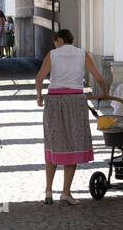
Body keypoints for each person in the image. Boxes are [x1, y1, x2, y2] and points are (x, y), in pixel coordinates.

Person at [35, 28, 108, 204]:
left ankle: (48, 191)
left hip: (54, 100)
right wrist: (105, 92)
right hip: (75, 101)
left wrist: (39, 97)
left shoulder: (52, 54)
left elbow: (39, 79)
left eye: (56, 42)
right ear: (71, 40)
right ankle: (66, 192)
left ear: (59, 40)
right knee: (72, 144)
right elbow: (99, 77)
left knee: (53, 144)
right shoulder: (82, 54)